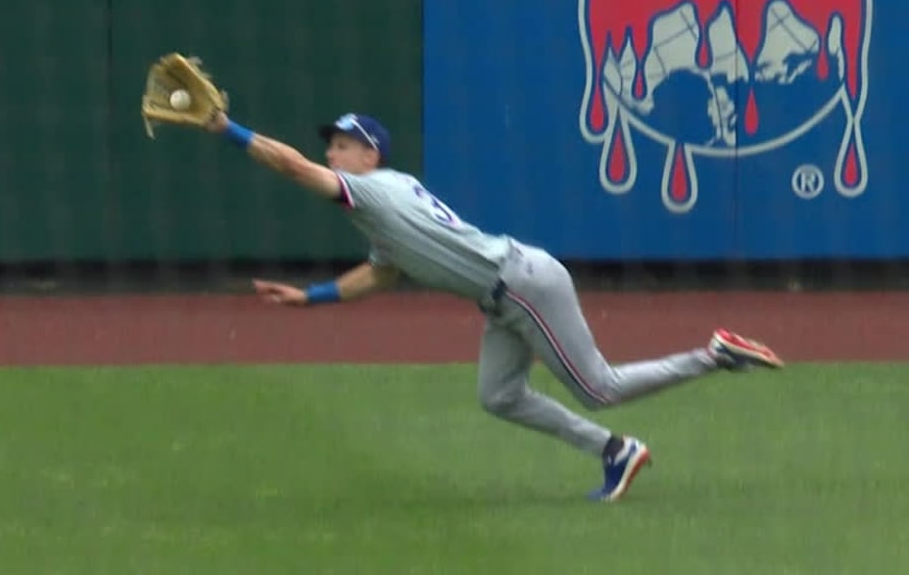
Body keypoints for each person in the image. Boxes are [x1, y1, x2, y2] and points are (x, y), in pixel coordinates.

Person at [202, 108, 784, 502]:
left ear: (370, 155)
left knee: (599, 388)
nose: (331, 153)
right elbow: (381, 273)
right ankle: (615, 451)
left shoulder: (373, 189)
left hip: (523, 286)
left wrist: (229, 129)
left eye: (343, 145)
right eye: (330, 144)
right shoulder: (385, 200)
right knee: (499, 394)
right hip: (504, 294)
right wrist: (310, 297)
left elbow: (291, 166)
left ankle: (714, 355)